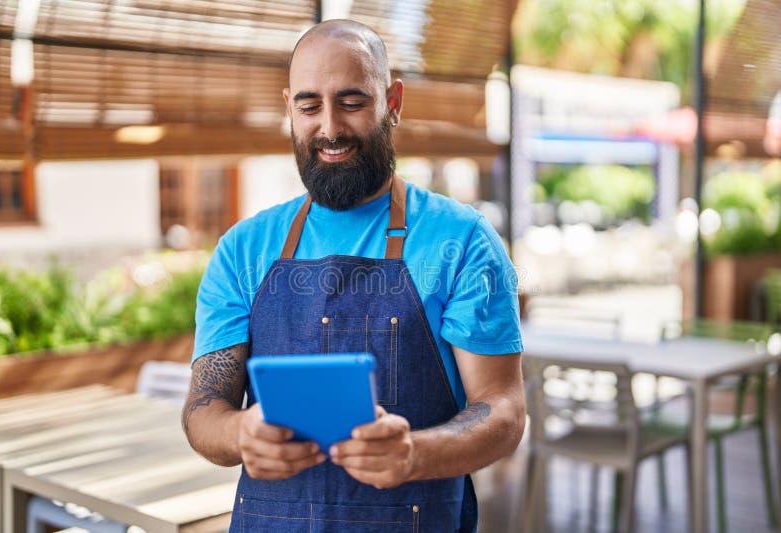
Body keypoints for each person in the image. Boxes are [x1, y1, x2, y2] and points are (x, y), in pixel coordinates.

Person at [181, 19, 526, 532]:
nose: (330, 128)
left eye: (352, 102)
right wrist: (239, 434)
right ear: (289, 109)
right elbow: (203, 409)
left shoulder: (463, 242)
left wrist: (416, 453)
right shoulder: (242, 250)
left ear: (394, 101)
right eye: (309, 105)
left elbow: (502, 411)